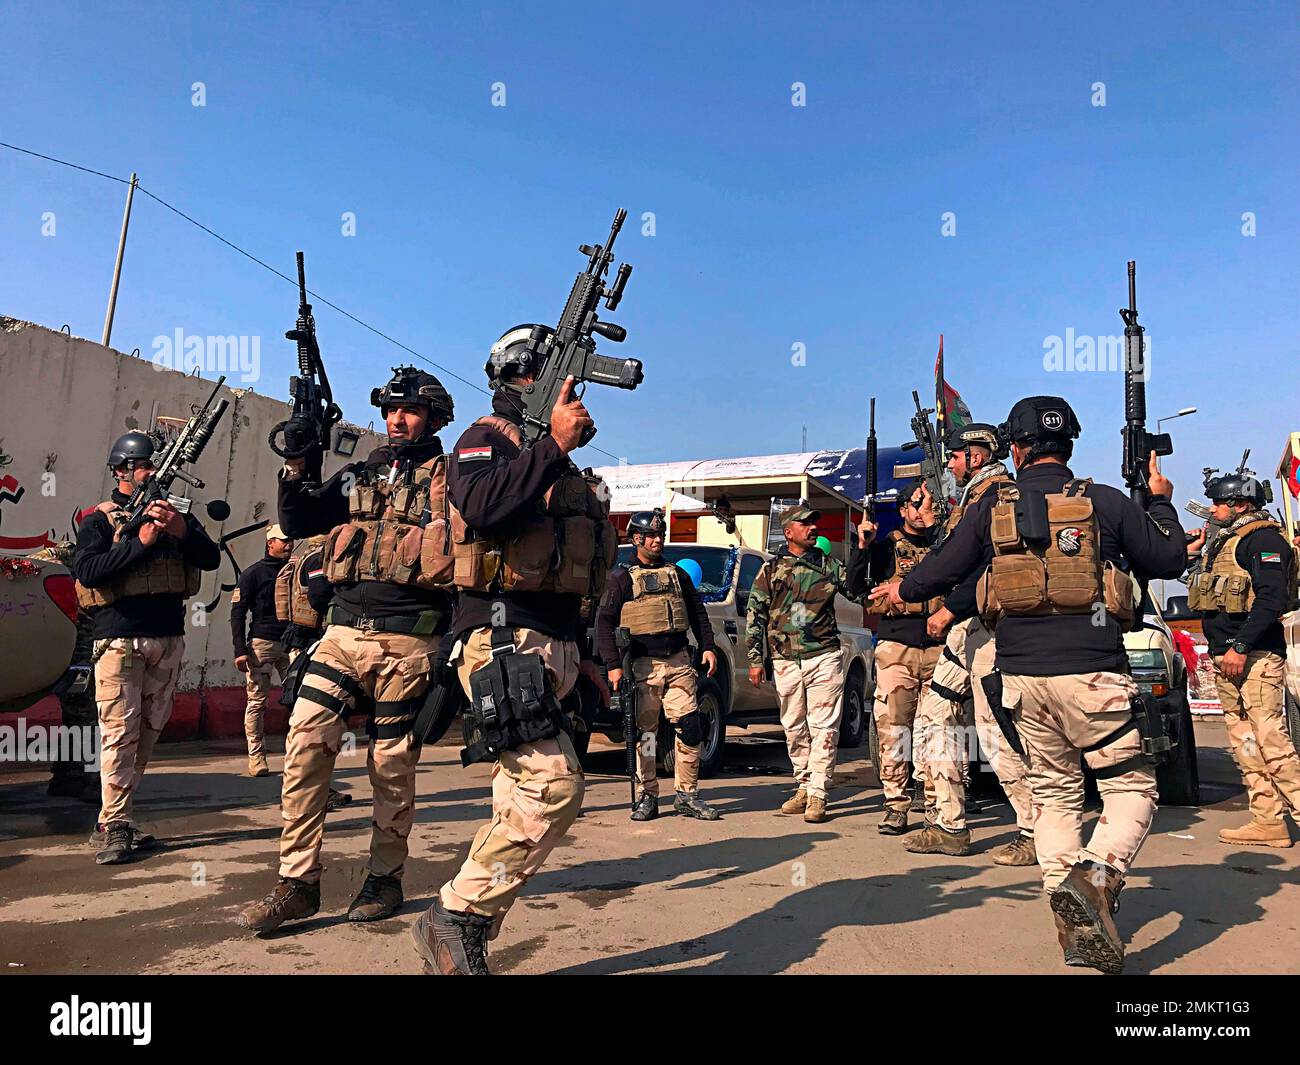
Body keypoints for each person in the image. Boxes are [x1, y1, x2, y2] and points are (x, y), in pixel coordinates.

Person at [881, 396, 1187, 974]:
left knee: (1055, 794)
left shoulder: (993, 506)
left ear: (1016, 449)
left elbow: (936, 573)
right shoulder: (1104, 501)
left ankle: (1073, 921)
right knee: (1130, 790)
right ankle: (1094, 881)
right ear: (1068, 445)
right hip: (1093, 673)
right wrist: (1163, 504)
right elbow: (1169, 559)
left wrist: (903, 590)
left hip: (1020, 678)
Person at [410, 325, 614, 975]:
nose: (573, 389)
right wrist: (552, 444)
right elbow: (481, 507)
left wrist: (587, 656)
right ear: (521, 378)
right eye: (557, 376)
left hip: (551, 644)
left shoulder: (557, 462)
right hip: (501, 637)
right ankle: (458, 912)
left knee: (515, 798)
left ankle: (469, 932)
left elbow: (578, 568)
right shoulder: (482, 440)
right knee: (554, 787)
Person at [239, 366, 457, 932]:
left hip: (410, 638)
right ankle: (297, 883)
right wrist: (296, 458)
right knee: (305, 743)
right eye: (389, 410)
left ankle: (384, 877)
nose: (395, 419)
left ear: (434, 416)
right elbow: (300, 517)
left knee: (389, 765)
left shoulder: (454, 482)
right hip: (339, 632)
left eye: (407, 410)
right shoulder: (364, 472)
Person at [873, 423, 1036, 864]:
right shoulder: (977, 498)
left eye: (956, 456)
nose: (950, 463)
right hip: (971, 628)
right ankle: (948, 824)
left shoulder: (997, 498)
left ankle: (1033, 827)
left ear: (978, 457)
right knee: (934, 714)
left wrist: (936, 604)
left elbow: (982, 567)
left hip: (988, 630)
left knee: (994, 729)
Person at [73, 431, 220, 864]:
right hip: (119, 638)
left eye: (156, 466)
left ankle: (121, 816)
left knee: (149, 733)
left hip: (168, 637)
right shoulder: (98, 520)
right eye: (144, 467)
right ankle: (113, 824)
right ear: (121, 471)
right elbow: (90, 572)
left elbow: (209, 559)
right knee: (120, 733)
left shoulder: (176, 514)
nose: (152, 474)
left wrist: (179, 530)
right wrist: (142, 543)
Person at [1186, 464, 1300, 847]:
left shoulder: (1264, 540)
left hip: (1254, 657)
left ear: (1241, 504)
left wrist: (1240, 646)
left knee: (1272, 741)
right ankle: (1268, 820)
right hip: (1228, 658)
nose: (1213, 509)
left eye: (1219, 502)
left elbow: (1272, 599)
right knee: (1245, 743)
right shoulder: (1226, 542)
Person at [596, 508, 721, 821]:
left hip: (679, 661)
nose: (656, 540)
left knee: (692, 727)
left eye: (660, 535)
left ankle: (687, 795)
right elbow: (603, 623)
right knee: (646, 734)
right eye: (650, 536)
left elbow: (697, 612)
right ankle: (647, 795)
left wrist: (708, 647)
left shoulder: (677, 575)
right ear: (636, 539)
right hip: (643, 667)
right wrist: (613, 665)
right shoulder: (622, 579)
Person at [745, 502, 864, 824]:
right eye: (806, 524)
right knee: (794, 728)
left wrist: (865, 553)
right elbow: (755, 615)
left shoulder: (828, 565)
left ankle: (819, 794)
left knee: (824, 727)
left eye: (815, 523)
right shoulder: (770, 570)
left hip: (824, 656)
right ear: (788, 532)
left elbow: (858, 592)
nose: (813, 528)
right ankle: (803, 784)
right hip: (785, 660)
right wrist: (756, 660)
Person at [853, 482, 943, 834]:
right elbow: (856, 588)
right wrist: (863, 546)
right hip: (897, 646)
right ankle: (896, 804)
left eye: (930, 504)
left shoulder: (944, 544)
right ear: (903, 508)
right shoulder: (886, 546)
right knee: (893, 729)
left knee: (939, 732)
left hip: (939, 645)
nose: (925, 511)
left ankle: (937, 805)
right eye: (918, 504)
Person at [231, 524, 294, 778]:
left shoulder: (294, 570)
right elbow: (237, 612)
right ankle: (257, 758)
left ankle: (296, 755)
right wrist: (240, 649)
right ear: (270, 544)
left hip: (292, 644)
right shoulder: (253, 574)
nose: (288, 544)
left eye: (290, 540)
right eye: (283, 541)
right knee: (257, 702)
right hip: (262, 645)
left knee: (301, 701)